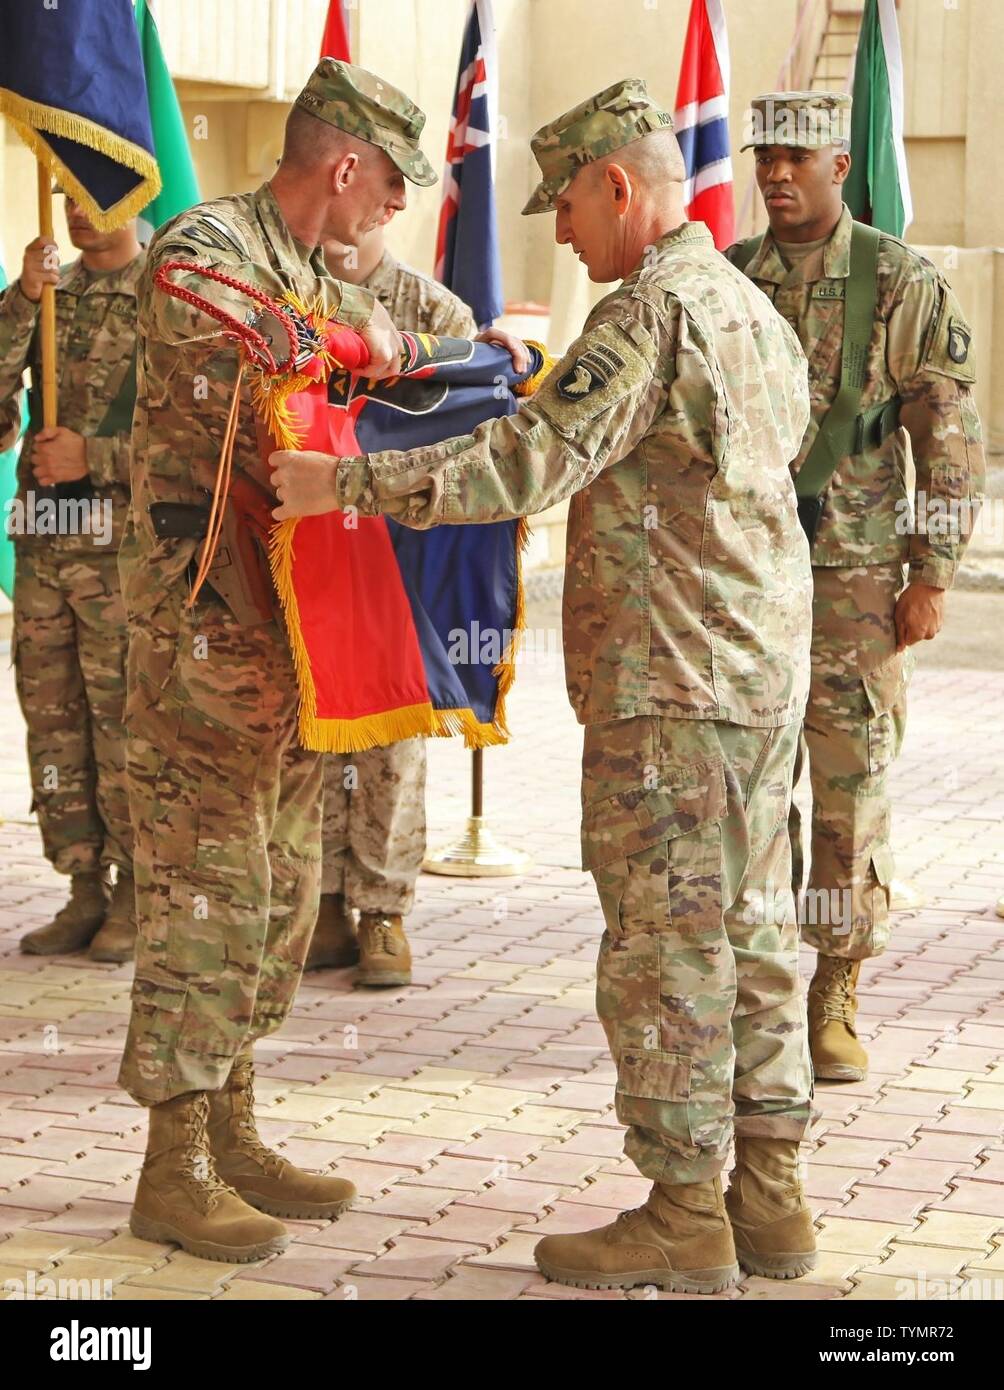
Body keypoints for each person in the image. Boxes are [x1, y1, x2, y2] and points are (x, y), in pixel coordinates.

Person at [272, 79, 818, 1294]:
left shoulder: (647, 314)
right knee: (753, 930)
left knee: (664, 945)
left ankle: (684, 1211)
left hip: (670, 685)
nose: (560, 234)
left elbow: (523, 460)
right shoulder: (746, 305)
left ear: (616, 186)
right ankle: (769, 1197)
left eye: (566, 204)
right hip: (757, 675)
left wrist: (342, 486)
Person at [118, 58, 427, 1264]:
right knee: (208, 894)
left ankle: (233, 1124)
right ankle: (172, 1161)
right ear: (344, 165)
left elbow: (436, 334)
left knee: (285, 889)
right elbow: (247, 326)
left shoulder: (319, 264)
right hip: (202, 636)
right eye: (392, 182)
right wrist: (365, 338)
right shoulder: (207, 245)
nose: (396, 208)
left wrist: (388, 337)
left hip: (295, 641)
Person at [728, 92, 985, 1083]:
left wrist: (928, 573)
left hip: (853, 584)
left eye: (796, 156)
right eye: (765, 156)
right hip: (743, 583)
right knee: (746, 790)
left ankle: (833, 990)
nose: (775, 174)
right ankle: (749, 981)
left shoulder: (898, 282)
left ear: (839, 164)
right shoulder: (729, 280)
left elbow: (948, 444)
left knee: (845, 792)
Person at [308, 221, 478, 987]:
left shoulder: (436, 313)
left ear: (388, 200)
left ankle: (383, 909)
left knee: (391, 735)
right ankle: (319, 902)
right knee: (310, 730)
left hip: (397, 553)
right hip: (306, 547)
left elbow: (467, 436)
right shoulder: (289, 301)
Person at [0, 195, 141, 963]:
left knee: (123, 719)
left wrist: (98, 458)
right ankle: (82, 883)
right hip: (46, 545)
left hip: (120, 554)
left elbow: (196, 436)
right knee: (52, 717)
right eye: (68, 199)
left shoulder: (166, 297)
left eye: (97, 197)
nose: (78, 215)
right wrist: (22, 300)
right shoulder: (50, 297)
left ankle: (135, 892)